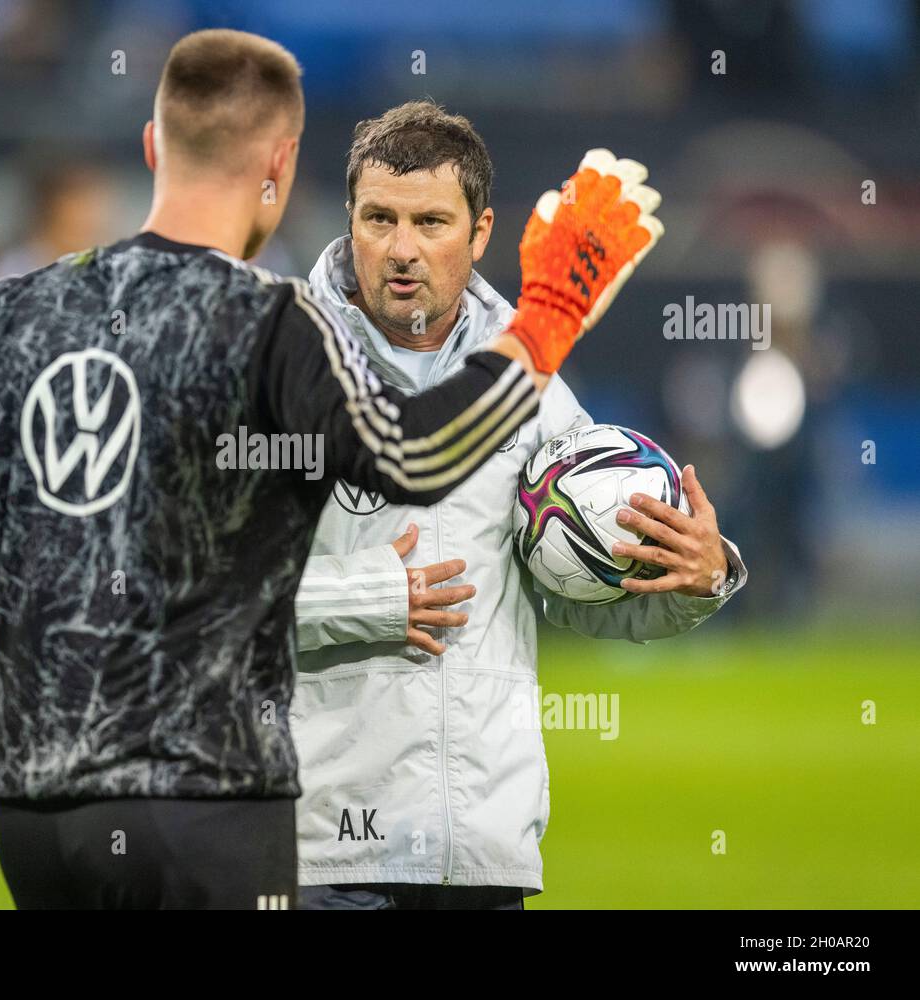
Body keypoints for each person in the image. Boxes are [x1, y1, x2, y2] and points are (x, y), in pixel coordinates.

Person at [0, 35, 660, 909]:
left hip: (35, 808)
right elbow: (415, 453)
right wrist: (546, 323)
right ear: (279, 167)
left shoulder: (15, 311)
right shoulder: (267, 324)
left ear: (151, 148)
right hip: (202, 800)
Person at [290, 101, 747, 910]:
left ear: (481, 232)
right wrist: (368, 597)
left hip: (482, 849)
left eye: (431, 221)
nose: (401, 250)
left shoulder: (531, 378)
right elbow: (202, 599)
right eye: (379, 218)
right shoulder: (280, 363)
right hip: (329, 851)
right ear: (349, 220)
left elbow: (578, 591)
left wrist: (690, 577)